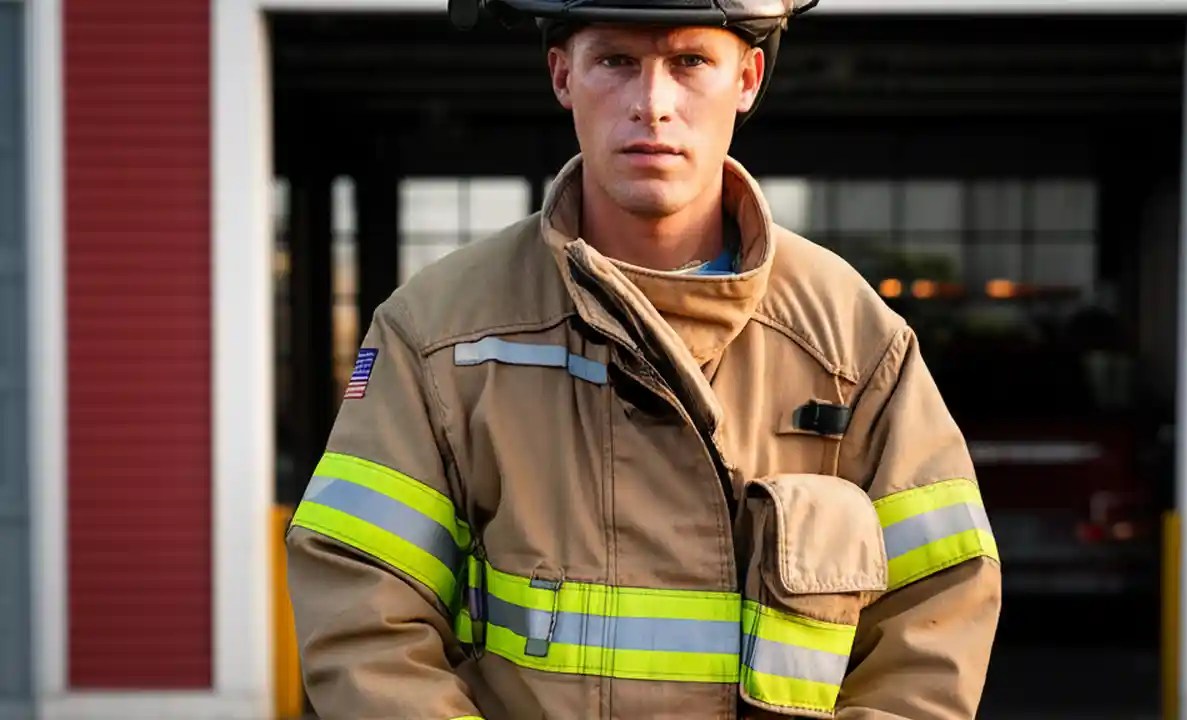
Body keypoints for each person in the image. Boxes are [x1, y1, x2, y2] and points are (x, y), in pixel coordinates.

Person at [285, 0, 1001, 717]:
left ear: (748, 78)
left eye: (690, 62)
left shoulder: (854, 343)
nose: (652, 104)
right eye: (615, 62)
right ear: (563, 75)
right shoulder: (438, 335)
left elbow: (932, 624)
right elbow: (364, 618)